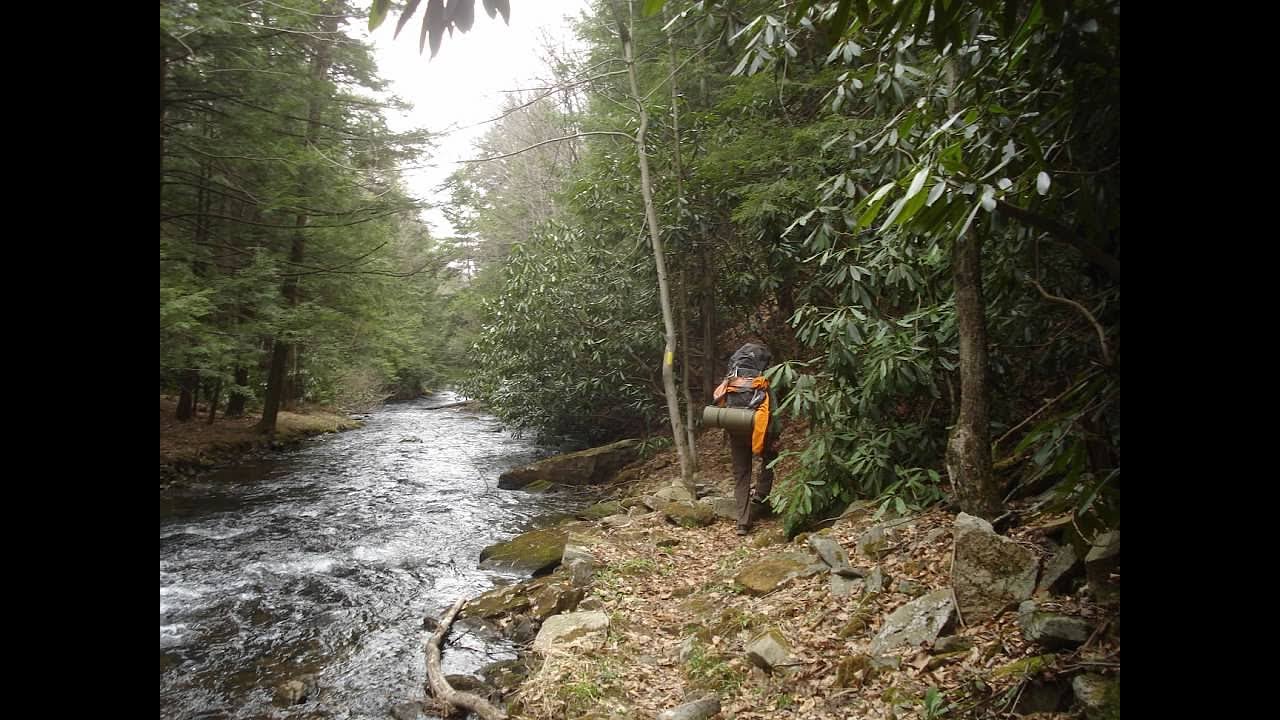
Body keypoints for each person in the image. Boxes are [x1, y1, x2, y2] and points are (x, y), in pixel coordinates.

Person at [712, 341, 781, 536]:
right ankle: (761, 496)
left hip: (737, 429)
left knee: (741, 474)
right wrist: (775, 435)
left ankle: (742, 522)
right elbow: (772, 410)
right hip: (759, 430)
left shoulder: (732, 380)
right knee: (770, 459)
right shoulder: (761, 382)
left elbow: (720, 402)